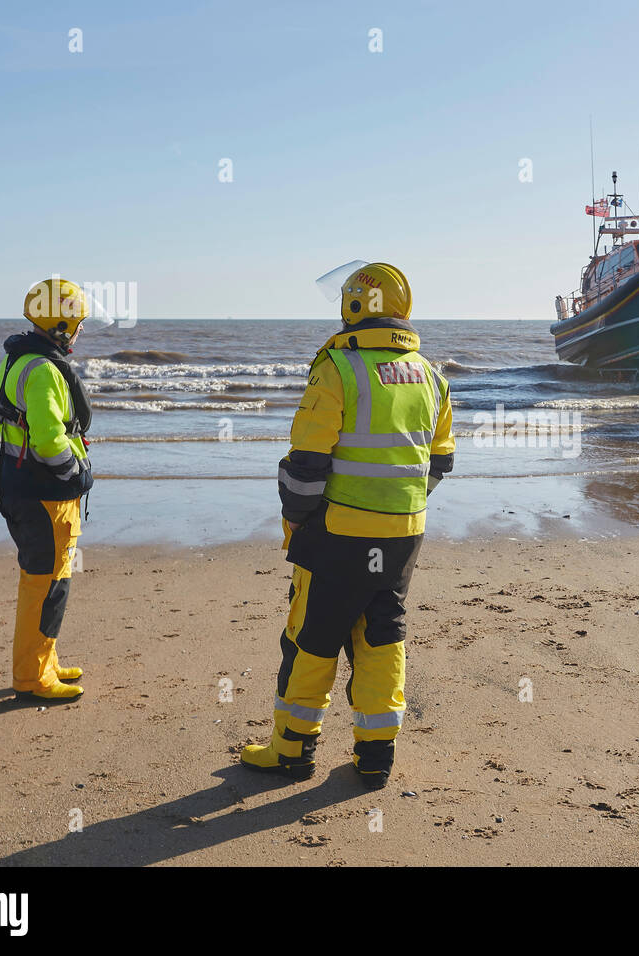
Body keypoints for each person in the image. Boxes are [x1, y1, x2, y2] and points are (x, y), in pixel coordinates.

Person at [241, 262, 455, 789]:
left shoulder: (338, 367)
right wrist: (397, 504)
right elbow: (439, 463)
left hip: (338, 535)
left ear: (354, 307)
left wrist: (297, 523)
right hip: (405, 534)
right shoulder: (431, 374)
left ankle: (292, 752)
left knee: (312, 639)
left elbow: (307, 465)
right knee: (383, 637)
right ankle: (375, 755)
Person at [0, 278, 99, 701]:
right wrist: (74, 473)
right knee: (45, 583)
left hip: (18, 486)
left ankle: (44, 661)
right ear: (58, 326)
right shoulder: (44, 370)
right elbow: (49, 440)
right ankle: (33, 678)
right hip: (43, 495)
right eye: (76, 323)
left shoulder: (19, 359)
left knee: (52, 579)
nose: (80, 331)